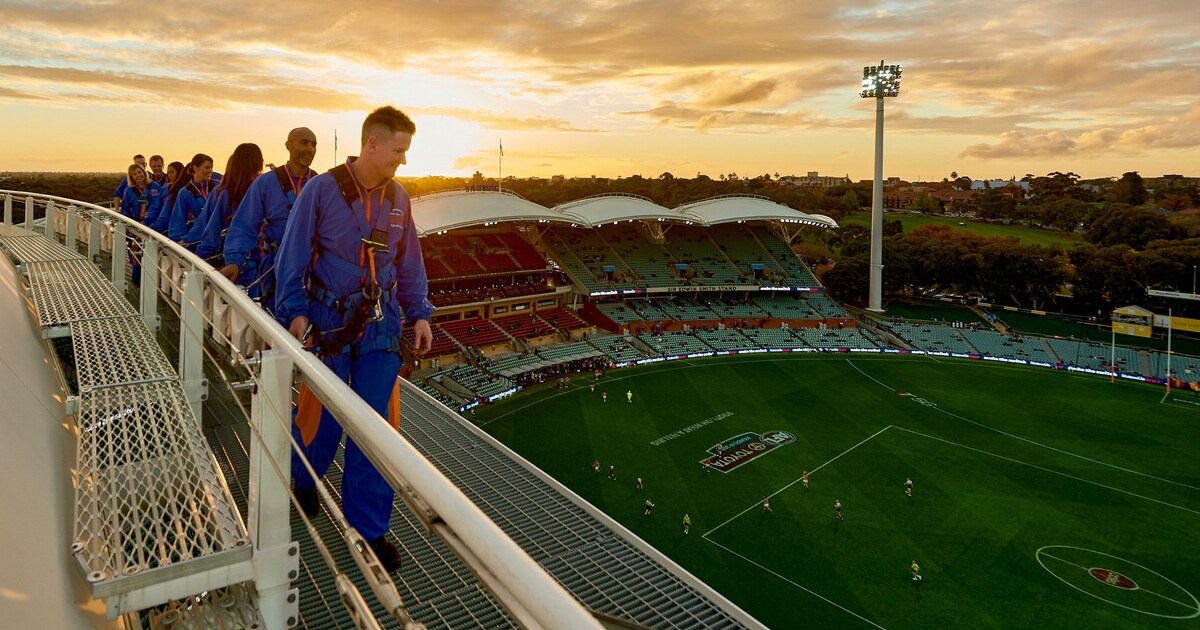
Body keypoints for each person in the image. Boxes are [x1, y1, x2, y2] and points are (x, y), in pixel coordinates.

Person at [275, 106, 432, 574]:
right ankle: (304, 479)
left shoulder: (399, 199)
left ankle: (369, 527)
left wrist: (420, 314)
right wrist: (295, 314)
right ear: (372, 145)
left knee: (375, 426)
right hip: (327, 321)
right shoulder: (321, 192)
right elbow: (293, 256)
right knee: (319, 413)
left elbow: (409, 265)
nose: (402, 160)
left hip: (381, 325)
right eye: (398, 150)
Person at [221, 128, 318, 309]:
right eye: (304, 143)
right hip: (274, 266)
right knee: (274, 319)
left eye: (314, 144)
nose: (310, 149)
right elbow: (245, 224)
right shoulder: (266, 183)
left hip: (310, 268)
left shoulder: (320, 184)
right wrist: (235, 261)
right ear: (288, 146)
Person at [193, 143, 264, 260]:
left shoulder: (224, 191)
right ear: (258, 162)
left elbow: (211, 226)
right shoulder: (228, 192)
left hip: (239, 259)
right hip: (257, 259)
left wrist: (200, 256)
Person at [118, 163, 167, 286]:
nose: (138, 175)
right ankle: (137, 281)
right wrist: (130, 221)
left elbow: (157, 206)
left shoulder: (154, 187)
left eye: (140, 172)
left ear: (144, 172)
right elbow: (124, 208)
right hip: (134, 226)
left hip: (150, 225)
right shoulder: (129, 191)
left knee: (149, 253)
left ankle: (149, 280)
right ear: (131, 177)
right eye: (135, 174)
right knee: (134, 253)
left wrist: (146, 221)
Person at [166, 153, 214, 244]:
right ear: (195, 168)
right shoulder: (185, 192)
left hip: (219, 236)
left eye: (211, 167)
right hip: (198, 239)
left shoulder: (216, 187)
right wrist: (177, 241)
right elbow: (179, 218)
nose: (210, 171)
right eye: (207, 167)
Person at [148, 161, 185, 232]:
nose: (169, 175)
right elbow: (157, 208)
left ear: (180, 172)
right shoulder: (166, 187)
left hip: (174, 228)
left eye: (172, 172)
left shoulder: (185, 190)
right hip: (165, 226)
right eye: (168, 173)